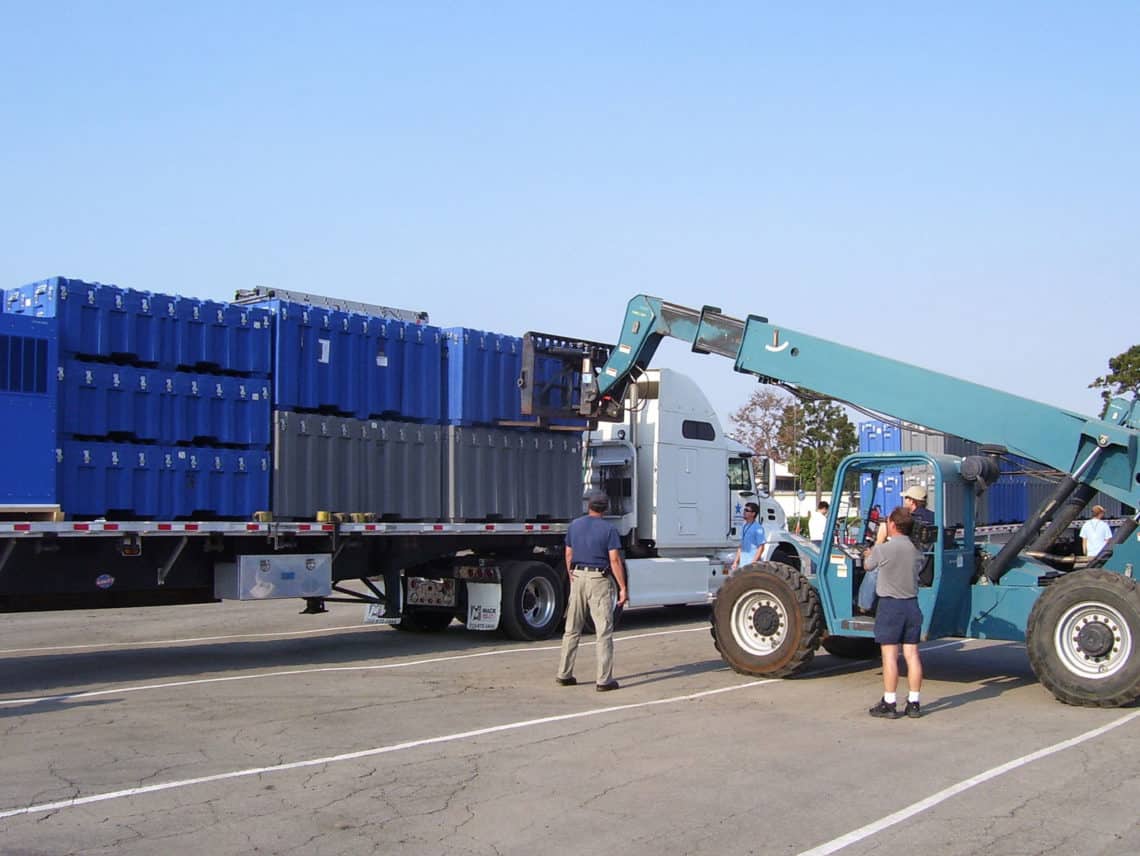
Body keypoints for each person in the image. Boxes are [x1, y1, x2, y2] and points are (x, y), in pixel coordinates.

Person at [556, 490, 629, 692]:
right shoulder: (609, 530)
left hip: (578, 577)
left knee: (572, 628)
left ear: (589, 506)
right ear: (605, 508)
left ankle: (564, 673)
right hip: (599, 579)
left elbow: (568, 553)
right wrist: (622, 587)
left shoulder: (575, 525)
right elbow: (614, 560)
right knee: (603, 630)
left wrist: (571, 574)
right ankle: (604, 680)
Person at [863, 507, 925, 719]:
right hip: (912, 605)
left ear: (891, 525)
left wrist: (877, 544)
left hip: (890, 606)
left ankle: (889, 702)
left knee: (889, 656)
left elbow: (868, 566)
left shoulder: (884, 549)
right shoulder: (917, 551)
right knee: (912, 655)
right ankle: (914, 702)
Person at [861, 485, 934, 609]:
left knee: (874, 568)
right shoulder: (933, 516)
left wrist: (878, 543)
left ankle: (863, 605)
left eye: (906, 498)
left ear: (912, 501)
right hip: (925, 559)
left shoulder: (912, 520)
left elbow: (902, 543)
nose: (904, 501)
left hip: (912, 562)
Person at [731, 502, 766, 571]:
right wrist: (736, 562)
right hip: (743, 564)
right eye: (744, 510)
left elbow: (761, 547)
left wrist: (753, 562)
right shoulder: (744, 526)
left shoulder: (758, 528)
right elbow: (741, 546)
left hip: (752, 565)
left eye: (747, 510)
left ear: (753, 514)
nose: (744, 512)